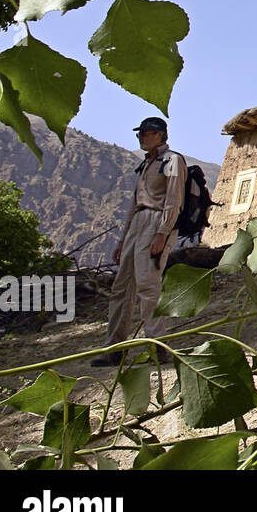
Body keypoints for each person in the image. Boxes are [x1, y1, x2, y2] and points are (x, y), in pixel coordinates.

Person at [92, 117, 187, 366]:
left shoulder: (172, 160)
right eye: (140, 134)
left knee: (147, 285)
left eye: (146, 133)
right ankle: (114, 349)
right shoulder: (147, 164)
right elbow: (135, 204)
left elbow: (173, 200)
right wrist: (123, 241)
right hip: (138, 224)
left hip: (156, 223)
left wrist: (162, 233)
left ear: (160, 135)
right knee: (121, 288)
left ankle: (158, 347)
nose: (141, 137)